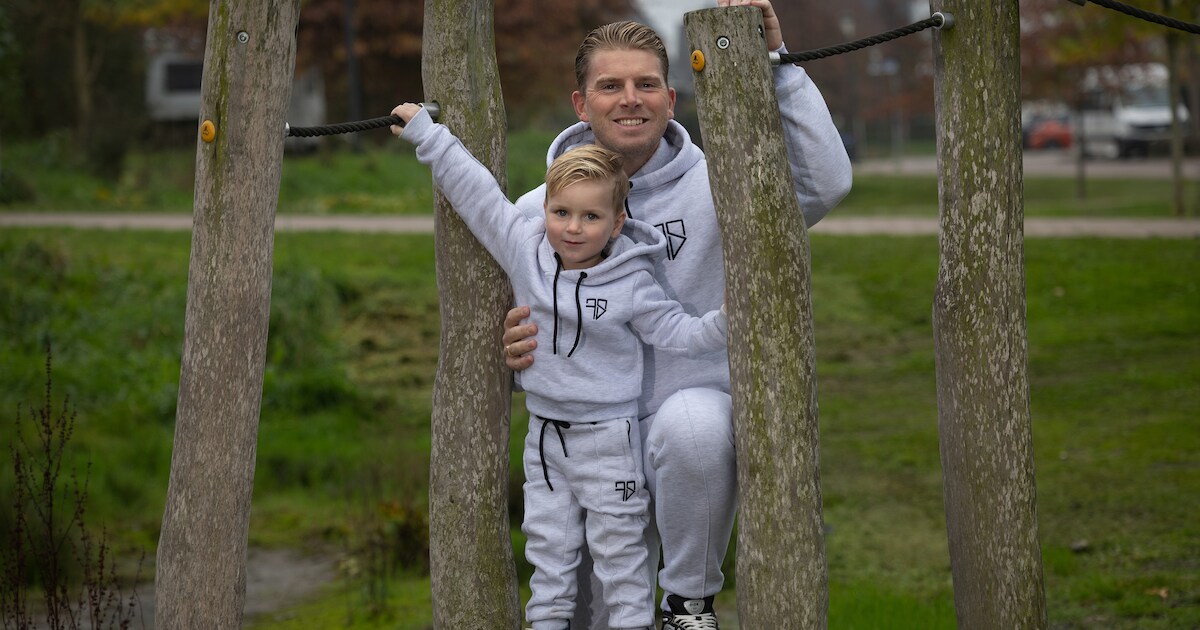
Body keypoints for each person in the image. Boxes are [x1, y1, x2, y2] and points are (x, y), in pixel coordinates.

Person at [500, 2, 853, 628]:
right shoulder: (539, 211)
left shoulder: (727, 186)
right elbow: (522, 319)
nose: (630, 99)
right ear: (581, 104)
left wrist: (775, 64)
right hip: (588, 441)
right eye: (610, 86)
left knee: (694, 428)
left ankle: (688, 601)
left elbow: (824, 183)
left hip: (686, 421)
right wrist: (511, 344)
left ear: (670, 95)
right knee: (596, 615)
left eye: (646, 84)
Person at [391, 103, 731, 630]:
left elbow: (681, 333)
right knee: (548, 558)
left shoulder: (632, 282)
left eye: (591, 217)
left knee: (621, 561)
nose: (573, 229)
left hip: (609, 441)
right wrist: (427, 135)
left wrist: (734, 319)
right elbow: (477, 194)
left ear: (618, 222)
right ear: (544, 208)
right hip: (546, 440)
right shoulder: (525, 247)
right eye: (561, 213)